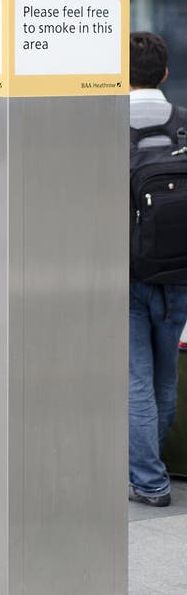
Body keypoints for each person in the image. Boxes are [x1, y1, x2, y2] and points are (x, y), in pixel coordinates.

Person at [129, 31, 187, 507]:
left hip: (125, 271)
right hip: (178, 272)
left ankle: (149, 481)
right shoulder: (185, 123)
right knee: (166, 379)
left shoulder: (100, 126)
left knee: (135, 382)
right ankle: (151, 468)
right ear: (165, 73)